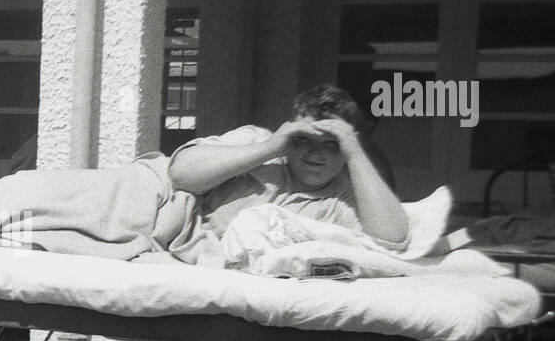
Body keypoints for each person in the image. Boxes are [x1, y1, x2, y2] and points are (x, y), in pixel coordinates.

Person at [164, 84, 408, 253]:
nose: (316, 153)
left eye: (332, 144)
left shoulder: (343, 198)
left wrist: (354, 152)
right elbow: (180, 175)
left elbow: (392, 238)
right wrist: (271, 147)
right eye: (304, 139)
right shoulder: (256, 142)